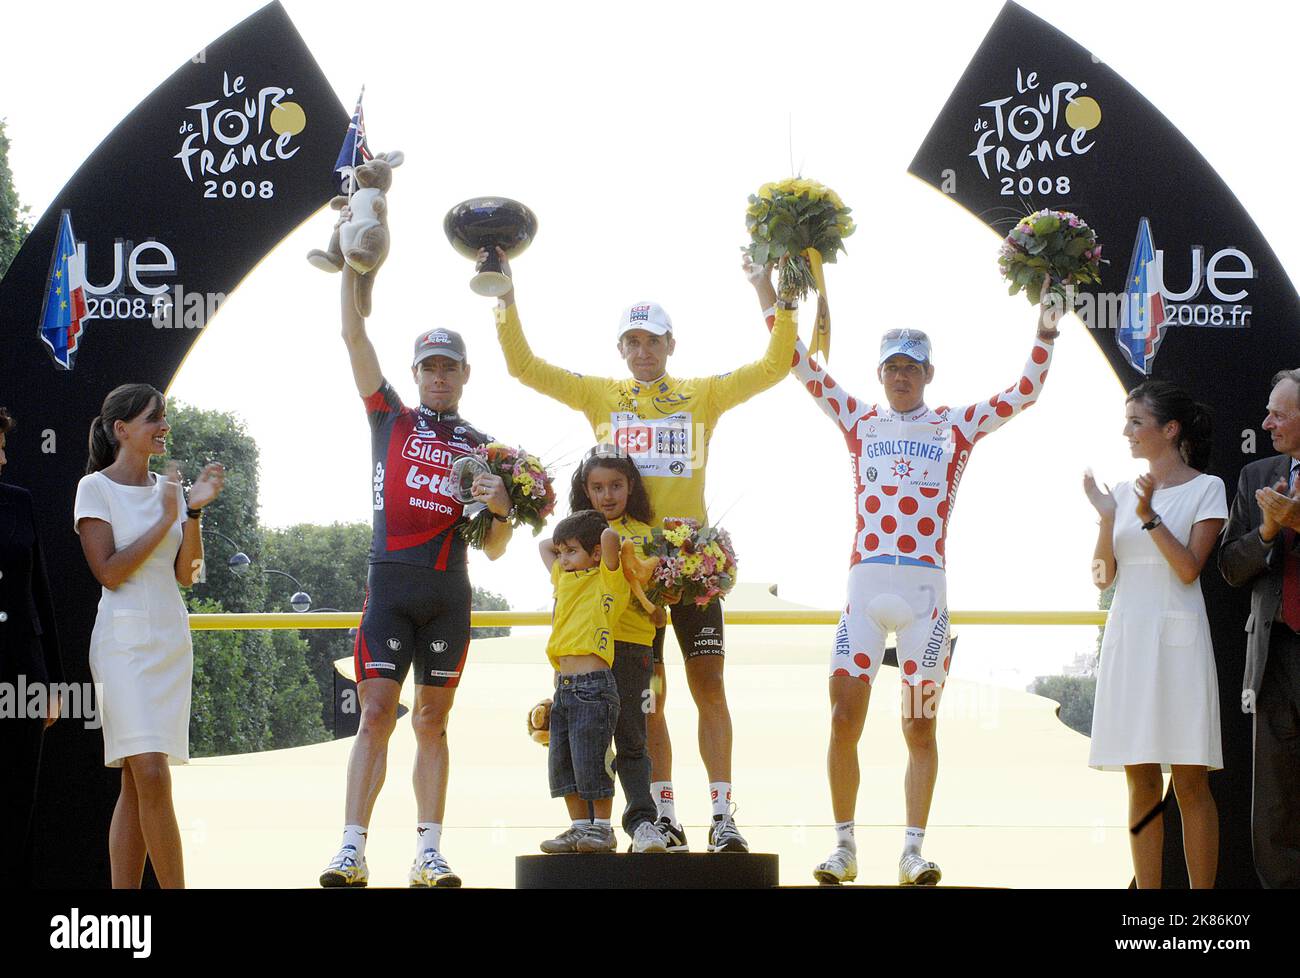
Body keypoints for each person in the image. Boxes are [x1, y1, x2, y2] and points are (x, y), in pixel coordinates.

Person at [746, 259, 1060, 885]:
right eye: (892, 366)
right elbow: (799, 365)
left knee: (919, 722)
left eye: (912, 367)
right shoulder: (860, 420)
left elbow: (1024, 393)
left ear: (929, 373)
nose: (901, 376)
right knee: (842, 719)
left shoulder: (956, 425)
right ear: (881, 372)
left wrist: (1047, 325)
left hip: (925, 599)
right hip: (864, 595)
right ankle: (843, 846)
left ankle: (913, 848)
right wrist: (763, 290)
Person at [480, 246, 798, 853]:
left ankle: (724, 816)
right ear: (620, 350)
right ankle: (663, 814)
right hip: (625, 575)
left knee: (710, 688)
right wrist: (504, 294)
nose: (643, 350)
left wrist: (777, 297)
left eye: (652, 340)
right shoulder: (602, 396)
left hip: (691, 564)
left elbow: (774, 365)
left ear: (671, 345)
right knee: (646, 696)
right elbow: (524, 367)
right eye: (632, 341)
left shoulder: (702, 393)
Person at [319, 254, 515, 889]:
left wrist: (502, 506)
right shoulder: (390, 417)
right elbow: (353, 335)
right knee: (376, 712)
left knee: (432, 720)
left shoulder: (484, 446)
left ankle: (429, 853)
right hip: (390, 587)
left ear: (464, 375)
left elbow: (494, 550)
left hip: (448, 593)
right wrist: (351, 262)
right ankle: (351, 849)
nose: (438, 376)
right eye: (428, 366)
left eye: (447, 367)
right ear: (415, 373)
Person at [74, 385, 225, 889]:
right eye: (152, 418)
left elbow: (190, 575)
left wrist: (194, 512)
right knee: (151, 774)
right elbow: (110, 572)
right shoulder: (94, 488)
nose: (163, 426)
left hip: (168, 641)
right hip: (121, 644)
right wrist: (166, 518)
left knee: (138, 785)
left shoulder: (172, 490)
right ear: (121, 430)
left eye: (164, 416)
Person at [1084, 381, 1226, 889]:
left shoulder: (1207, 488)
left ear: (1170, 430)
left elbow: (1188, 569)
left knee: (1189, 783)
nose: (1127, 432)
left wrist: (1147, 518)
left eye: (1137, 422)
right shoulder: (1123, 494)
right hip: (1129, 641)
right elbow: (1102, 577)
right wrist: (1108, 519)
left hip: (1180, 646)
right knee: (1139, 780)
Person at [1219, 368, 1300, 889]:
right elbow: (1229, 566)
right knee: (1273, 805)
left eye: (1279, 413)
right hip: (1274, 655)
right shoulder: (1256, 477)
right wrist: (1269, 531)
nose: (1266, 421)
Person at [568, 446, 665, 852]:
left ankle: (643, 822)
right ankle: (590, 826)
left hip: (633, 646)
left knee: (632, 738)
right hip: (586, 651)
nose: (607, 495)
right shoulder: (571, 536)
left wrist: (658, 662)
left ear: (630, 487)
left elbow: (659, 601)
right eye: (598, 487)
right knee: (584, 739)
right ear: (586, 490)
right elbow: (562, 593)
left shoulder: (649, 535)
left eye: (616, 486)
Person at [537, 511, 631, 853]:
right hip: (563, 686)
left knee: (593, 758)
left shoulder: (607, 579)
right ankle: (579, 826)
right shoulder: (564, 578)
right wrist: (567, 543)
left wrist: (591, 530)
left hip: (594, 685)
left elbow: (607, 540)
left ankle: (603, 828)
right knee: (563, 761)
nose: (562, 558)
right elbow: (543, 545)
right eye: (562, 553)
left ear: (593, 555)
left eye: (571, 551)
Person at [0, 406, 65, 887]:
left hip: (23, 674)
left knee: (17, 799)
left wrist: (54, 683)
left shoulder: (18, 502)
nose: (4, 459)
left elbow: (40, 594)